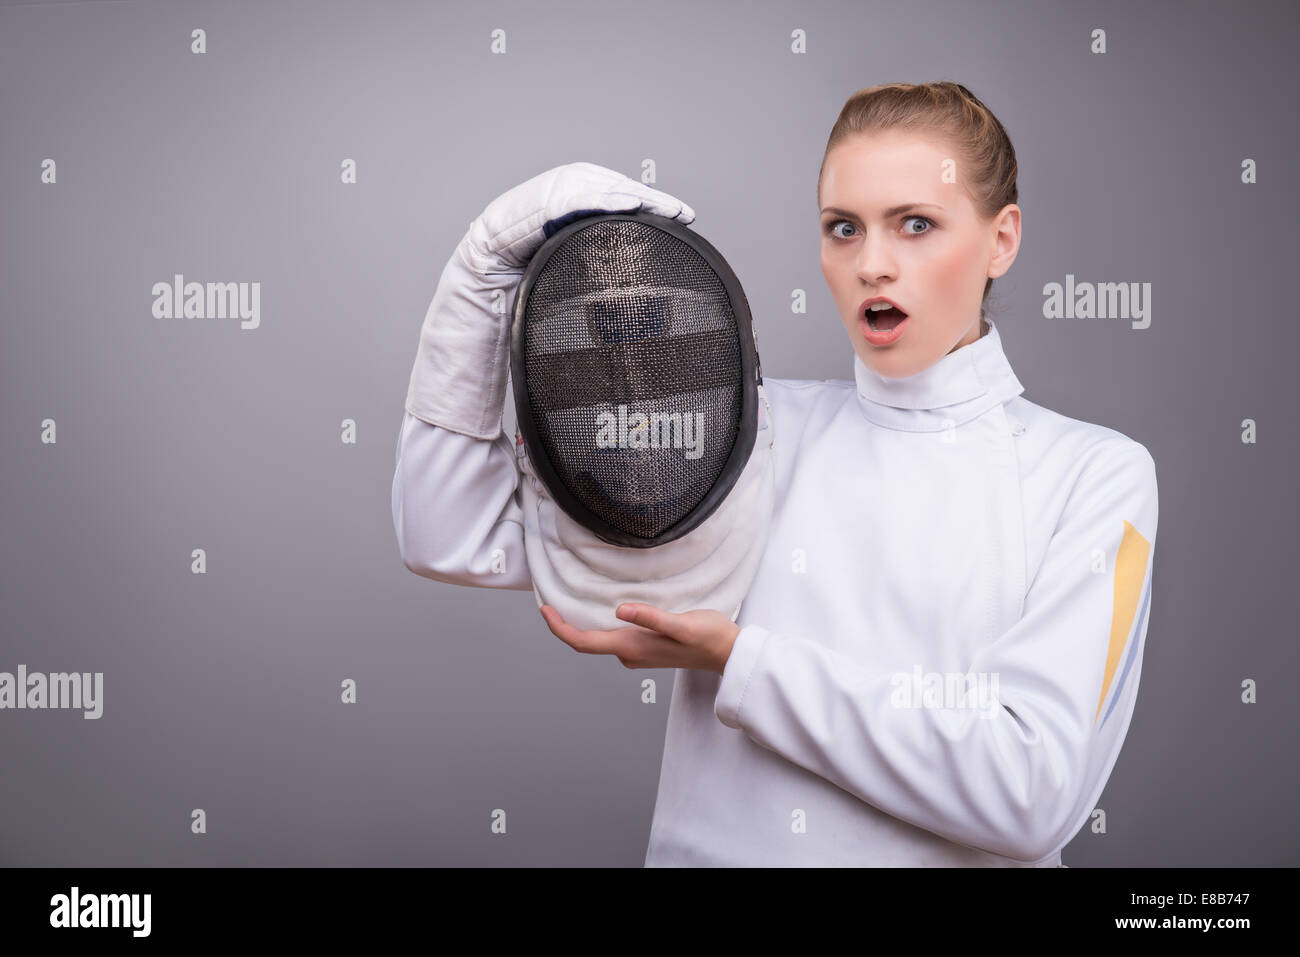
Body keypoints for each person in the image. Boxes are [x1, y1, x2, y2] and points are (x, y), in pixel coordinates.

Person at [392, 81, 1159, 867]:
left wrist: (741, 659)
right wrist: (478, 276)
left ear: (1002, 240)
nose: (873, 264)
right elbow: (451, 534)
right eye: (842, 228)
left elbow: (1030, 791)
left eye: (917, 225)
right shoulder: (747, 427)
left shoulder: (1095, 476)